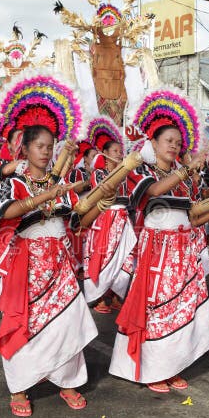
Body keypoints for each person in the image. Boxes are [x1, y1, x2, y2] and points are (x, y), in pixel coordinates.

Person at [0, 74, 103, 417]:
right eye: (41, 146)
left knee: (67, 320)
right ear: (24, 148)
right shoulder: (13, 183)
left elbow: (76, 223)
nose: (47, 151)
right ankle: (21, 386)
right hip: (27, 263)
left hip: (61, 263)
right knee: (25, 322)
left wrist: (100, 200)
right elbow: (5, 213)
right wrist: (44, 196)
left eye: (51, 146)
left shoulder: (65, 184)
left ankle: (68, 381)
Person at [109, 88, 209, 393]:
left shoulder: (183, 176)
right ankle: (153, 369)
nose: (174, 146)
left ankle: (174, 365)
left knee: (184, 309)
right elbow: (152, 194)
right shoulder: (140, 171)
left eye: (178, 143)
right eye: (168, 141)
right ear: (153, 142)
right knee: (158, 310)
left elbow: (191, 217)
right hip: (157, 252)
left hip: (183, 251)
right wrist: (187, 170)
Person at [81, 117, 136, 314]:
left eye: (121, 152)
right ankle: (100, 296)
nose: (119, 155)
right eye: (115, 152)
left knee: (125, 257)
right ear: (105, 154)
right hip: (105, 219)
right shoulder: (99, 174)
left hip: (123, 219)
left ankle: (115, 294)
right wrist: (124, 168)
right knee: (106, 258)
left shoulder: (127, 174)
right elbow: (104, 194)